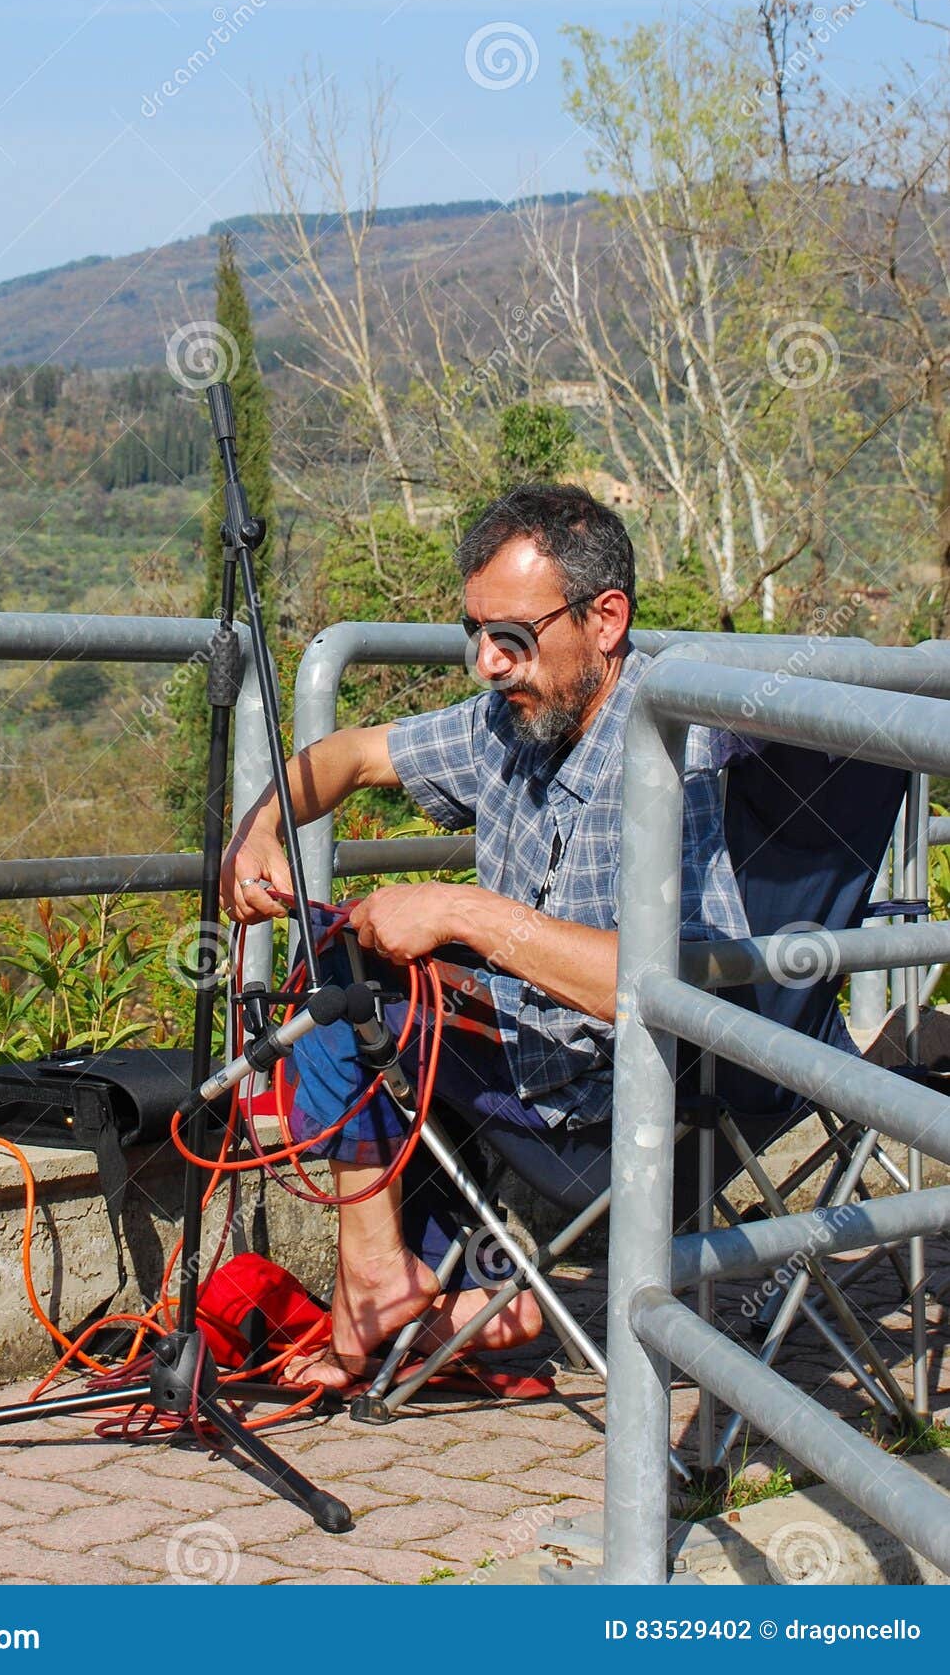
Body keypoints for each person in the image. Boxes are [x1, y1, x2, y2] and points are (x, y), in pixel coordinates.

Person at [219, 484, 747, 1388]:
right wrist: (259, 828)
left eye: (512, 636)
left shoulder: (677, 743)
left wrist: (463, 912)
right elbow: (351, 754)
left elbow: (676, 986)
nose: (487, 664)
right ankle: (416, 1284)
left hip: (630, 1095)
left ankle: (399, 1286)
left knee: (352, 991)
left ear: (606, 619)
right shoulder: (515, 718)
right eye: (475, 633)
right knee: (349, 963)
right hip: (527, 1050)